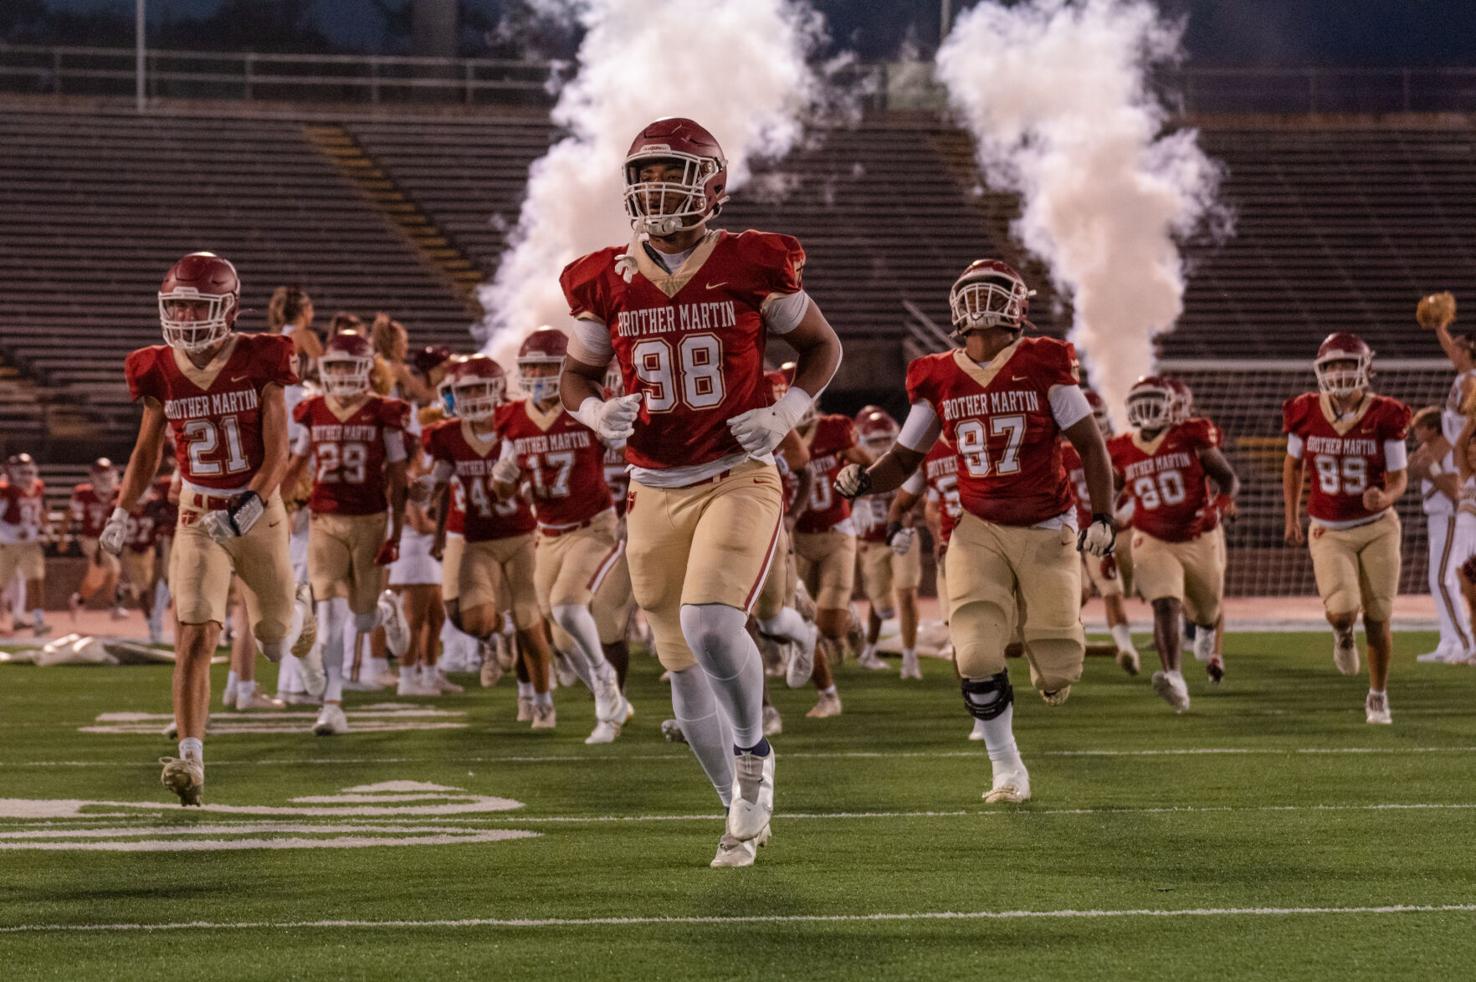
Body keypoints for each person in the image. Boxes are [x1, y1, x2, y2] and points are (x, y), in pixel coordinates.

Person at [558, 117, 843, 868]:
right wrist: (593, 410)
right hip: (652, 485)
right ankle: (736, 813)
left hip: (736, 473)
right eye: (645, 175)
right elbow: (574, 376)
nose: (655, 190)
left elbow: (821, 346)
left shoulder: (751, 260)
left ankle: (754, 754)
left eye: (671, 174)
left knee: (714, 625)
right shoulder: (604, 276)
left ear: (711, 184)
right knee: (679, 662)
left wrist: (787, 410)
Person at [836, 259, 1116, 804]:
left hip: (1046, 524)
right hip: (977, 526)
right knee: (976, 651)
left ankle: (1051, 653)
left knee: (1058, 667)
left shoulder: (1043, 361)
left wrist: (1102, 516)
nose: (981, 304)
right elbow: (904, 456)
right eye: (973, 293)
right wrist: (865, 481)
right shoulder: (936, 374)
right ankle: (1006, 768)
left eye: (993, 293)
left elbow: (1091, 446)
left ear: (1018, 308)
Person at [100, 252, 321, 805]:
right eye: (175, 304)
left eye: (195, 305)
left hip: (259, 509)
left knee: (273, 640)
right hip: (198, 513)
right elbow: (147, 449)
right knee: (195, 633)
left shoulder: (262, 356)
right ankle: (191, 759)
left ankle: (300, 609)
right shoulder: (157, 366)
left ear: (227, 307)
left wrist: (252, 501)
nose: (184, 316)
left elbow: (278, 449)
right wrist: (123, 510)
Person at [495, 327, 630, 744]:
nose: (535, 375)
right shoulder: (513, 418)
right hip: (547, 533)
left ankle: (607, 687)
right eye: (529, 366)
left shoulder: (583, 407)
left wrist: (619, 432)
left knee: (569, 606)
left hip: (592, 526)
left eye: (545, 366)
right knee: (557, 632)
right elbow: (504, 487)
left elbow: (627, 447)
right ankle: (610, 701)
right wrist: (504, 477)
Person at [282, 330, 411, 736]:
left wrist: (397, 531)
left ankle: (387, 611)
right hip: (325, 521)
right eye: (334, 364)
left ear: (365, 369)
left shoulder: (384, 412)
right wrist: (269, 507)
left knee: (364, 616)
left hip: (371, 520)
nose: (340, 372)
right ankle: (332, 705)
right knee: (333, 618)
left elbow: (399, 477)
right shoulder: (312, 410)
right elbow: (296, 465)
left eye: (347, 365)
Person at [1282, 332, 1410, 725]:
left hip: (1377, 527)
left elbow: (1399, 477)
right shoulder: (1304, 410)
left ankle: (1378, 694)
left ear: (1364, 368)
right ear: (1321, 371)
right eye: (1332, 365)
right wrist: (1291, 516)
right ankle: (1341, 633)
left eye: (1347, 364)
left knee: (1378, 615)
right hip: (1329, 527)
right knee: (1340, 611)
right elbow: (1293, 466)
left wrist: (1386, 498)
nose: (1339, 372)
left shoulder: (1385, 413)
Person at [422, 355, 557, 725]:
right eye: (467, 390)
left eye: (481, 388)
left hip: (521, 532)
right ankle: (499, 636)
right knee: (471, 618)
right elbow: (440, 482)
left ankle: (536, 698)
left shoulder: (515, 422)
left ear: (497, 387)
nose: (475, 396)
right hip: (473, 537)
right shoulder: (447, 434)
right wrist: (424, 492)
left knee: (530, 623)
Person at [1110, 376, 1239, 712]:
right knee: (1164, 604)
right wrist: (1103, 526)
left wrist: (1217, 507)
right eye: (1142, 401)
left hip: (1197, 535)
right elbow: (1109, 491)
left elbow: (1227, 479)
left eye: (1155, 400)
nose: (1148, 409)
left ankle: (1208, 631)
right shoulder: (1122, 447)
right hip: (1151, 537)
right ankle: (1174, 677)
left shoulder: (1190, 437)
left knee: (1207, 610)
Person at [852, 408, 925, 679]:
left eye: (886, 440)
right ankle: (869, 649)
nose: (882, 447)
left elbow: (922, 498)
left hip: (902, 536)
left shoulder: (904, 463)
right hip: (871, 542)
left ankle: (909, 658)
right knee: (881, 606)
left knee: (907, 593)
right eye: (875, 441)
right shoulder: (855, 465)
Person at [1408, 406, 1472, 663]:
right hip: (1436, 518)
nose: (1415, 434)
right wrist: (1425, 464)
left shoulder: (1452, 454)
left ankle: (1466, 641)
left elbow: (1454, 491)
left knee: (1444, 581)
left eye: (1419, 428)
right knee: (1439, 581)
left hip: (1450, 517)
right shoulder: (1432, 451)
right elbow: (1412, 468)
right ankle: (1449, 641)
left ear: (1433, 429)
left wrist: (1432, 471)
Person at [67, 457, 126, 621]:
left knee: (96, 579)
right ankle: (113, 605)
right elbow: (70, 513)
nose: (105, 479)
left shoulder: (119, 492)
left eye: (107, 475)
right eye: (101, 475)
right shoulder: (83, 492)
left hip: (110, 539)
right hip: (90, 539)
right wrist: (62, 537)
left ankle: (79, 600)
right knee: (113, 568)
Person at [0, 453, 51, 637]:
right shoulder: (4, 489)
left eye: (29, 471)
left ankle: (38, 621)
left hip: (30, 543)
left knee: (36, 579)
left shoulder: (37, 486)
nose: (26, 476)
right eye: (21, 472)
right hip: (6, 544)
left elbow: (41, 510)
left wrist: (45, 528)